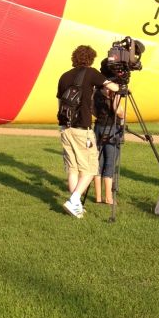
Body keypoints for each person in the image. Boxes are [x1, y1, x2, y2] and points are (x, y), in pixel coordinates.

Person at [57, 45, 119, 218]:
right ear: (90, 59)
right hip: (82, 129)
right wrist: (120, 81)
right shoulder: (90, 73)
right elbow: (112, 88)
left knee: (73, 168)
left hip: (65, 128)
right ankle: (74, 199)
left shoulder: (64, 76)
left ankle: (75, 204)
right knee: (91, 168)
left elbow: (60, 103)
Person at [92, 63, 125, 205]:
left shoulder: (96, 89)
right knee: (110, 162)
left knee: (98, 162)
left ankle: (98, 197)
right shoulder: (113, 89)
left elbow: (93, 110)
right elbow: (117, 111)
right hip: (112, 127)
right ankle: (109, 198)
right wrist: (122, 113)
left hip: (98, 127)